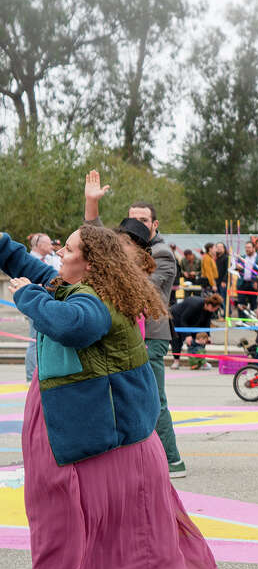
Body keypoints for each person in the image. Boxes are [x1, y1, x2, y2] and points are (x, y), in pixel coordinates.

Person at [0, 226, 217, 569]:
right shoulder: (92, 286)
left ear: (90, 263)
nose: (60, 253)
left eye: (68, 249)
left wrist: (27, 295)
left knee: (60, 520)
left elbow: (72, 325)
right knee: (130, 528)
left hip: (93, 437)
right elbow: (32, 267)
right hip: (112, 435)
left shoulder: (93, 299)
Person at [83, 170, 186, 479]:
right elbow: (101, 242)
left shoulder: (161, 254)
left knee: (153, 398)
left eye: (143, 219)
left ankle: (172, 460)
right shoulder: (129, 249)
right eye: (132, 219)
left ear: (155, 224)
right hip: (129, 333)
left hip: (151, 335)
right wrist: (92, 205)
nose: (137, 223)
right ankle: (140, 459)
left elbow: (135, 285)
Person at [24, 233, 60, 382]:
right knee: (34, 339)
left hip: (47, 304)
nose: (51, 246)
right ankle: (31, 376)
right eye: (48, 243)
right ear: (39, 245)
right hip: (35, 304)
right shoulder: (29, 261)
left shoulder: (51, 259)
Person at [170, 293, 222, 368]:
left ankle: (200, 361)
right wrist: (187, 335)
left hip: (193, 321)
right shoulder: (195, 305)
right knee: (177, 339)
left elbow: (207, 323)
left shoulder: (209, 311)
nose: (215, 310)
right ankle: (176, 361)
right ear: (210, 305)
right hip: (177, 317)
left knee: (201, 339)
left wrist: (207, 336)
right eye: (215, 308)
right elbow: (184, 320)